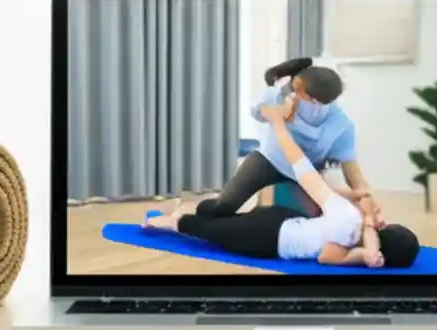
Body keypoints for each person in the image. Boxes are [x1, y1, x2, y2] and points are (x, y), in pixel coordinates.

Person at [145, 97, 419, 268]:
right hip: (269, 236)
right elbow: (328, 257)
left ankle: (190, 212)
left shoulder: (349, 216)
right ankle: (173, 221)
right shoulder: (346, 230)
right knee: (209, 231)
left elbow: (313, 178)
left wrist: (360, 207)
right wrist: (361, 255)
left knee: (224, 225)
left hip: (280, 220)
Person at [196, 57, 385, 226]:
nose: (293, 90)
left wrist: (368, 201)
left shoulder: (342, 127)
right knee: (223, 206)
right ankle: (189, 216)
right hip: (268, 160)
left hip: (305, 177)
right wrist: (277, 105)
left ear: (312, 98)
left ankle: (257, 218)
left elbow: (353, 174)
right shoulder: (281, 97)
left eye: (298, 89)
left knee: (292, 222)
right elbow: (257, 112)